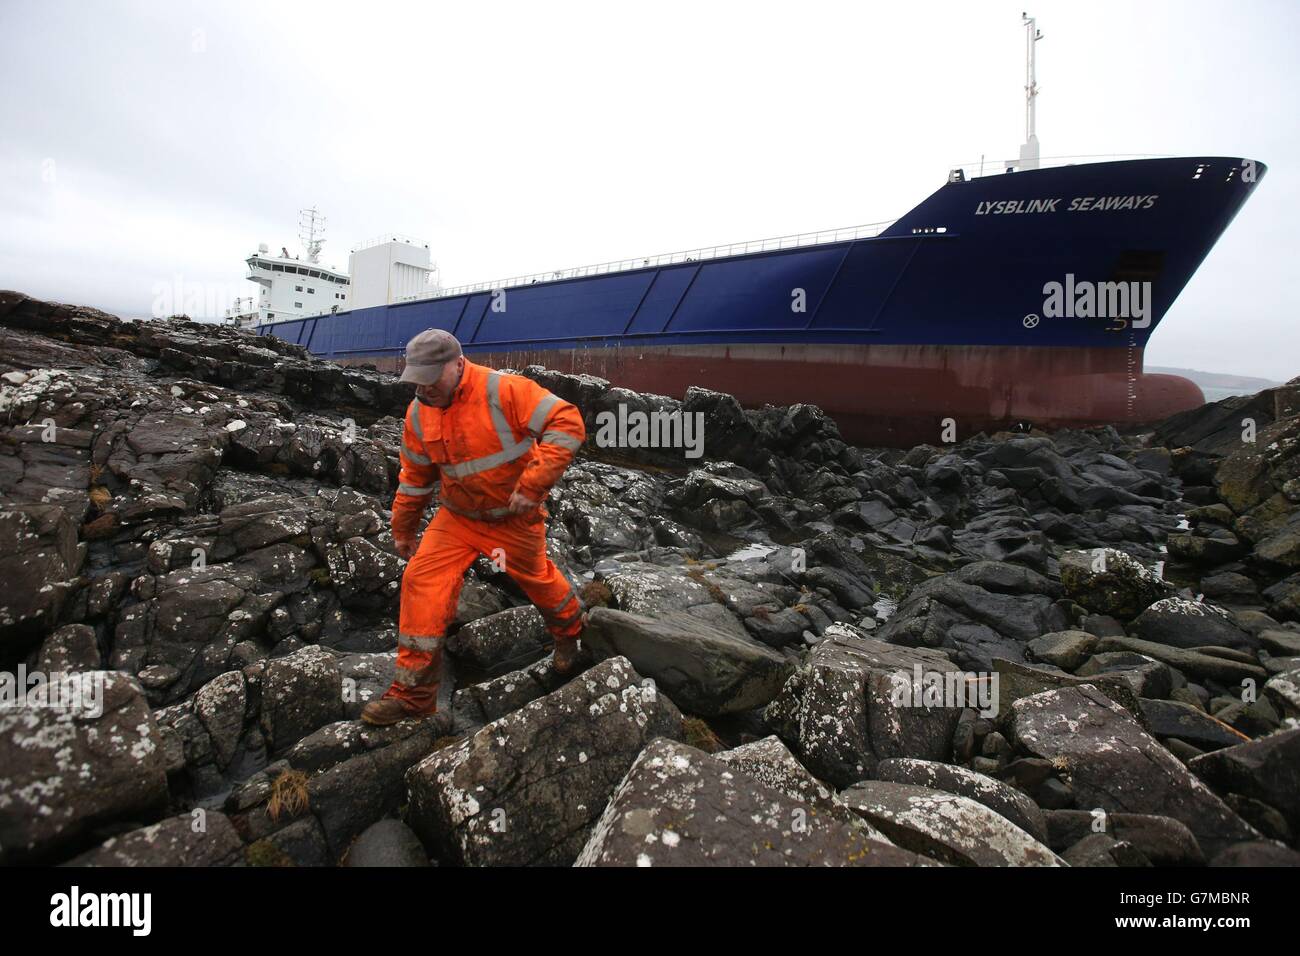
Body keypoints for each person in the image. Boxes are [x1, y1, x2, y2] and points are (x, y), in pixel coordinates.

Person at [360, 329, 589, 725]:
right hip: (457, 519)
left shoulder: (505, 390)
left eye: (431, 377)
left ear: (459, 364)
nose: (423, 388)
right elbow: (415, 479)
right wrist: (403, 530)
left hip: (514, 521)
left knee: (539, 581)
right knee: (421, 580)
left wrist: (533, 487)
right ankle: (412, 696)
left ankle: (569, 638)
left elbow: (567, 422)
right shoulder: (418, 413)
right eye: (416, 378)